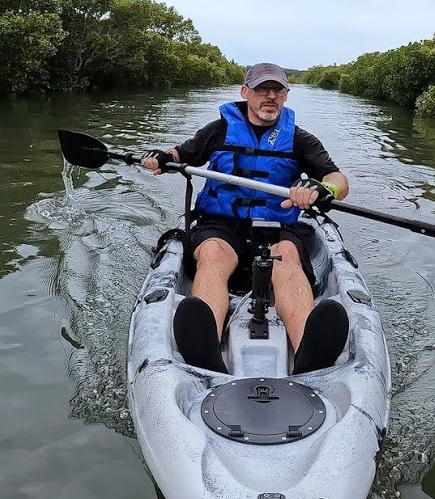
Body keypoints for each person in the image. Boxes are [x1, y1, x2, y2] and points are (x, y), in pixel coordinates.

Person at [140, 62, 350, 375]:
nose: (270, 95)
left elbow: (339, 181)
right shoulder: (219, 130)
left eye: (277, 89)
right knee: (212, 254)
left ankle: (309, 350)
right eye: (262, 89)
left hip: (275, 227)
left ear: (286, 95)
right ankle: (205, 347)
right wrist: (162, 157)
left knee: (287, 257)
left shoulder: (300, 139)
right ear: (245, 92)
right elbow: (181, 154)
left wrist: (323, 187)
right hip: (220, 225)